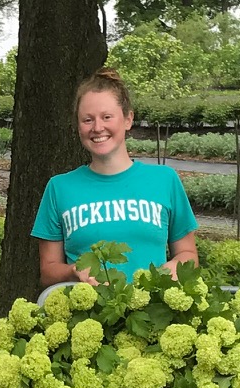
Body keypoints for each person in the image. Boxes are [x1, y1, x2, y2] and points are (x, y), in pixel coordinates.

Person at [33, 68, 198, 287]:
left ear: (128, 119)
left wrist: (173, 268)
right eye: (87, 120)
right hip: (86, 317)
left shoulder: (165, 180)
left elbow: (188, 254)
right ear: (78, 126)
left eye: (107, 117)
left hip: (153, 313)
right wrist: (73, 272)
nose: (97, 127)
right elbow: (48, 271)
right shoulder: (59, 188)